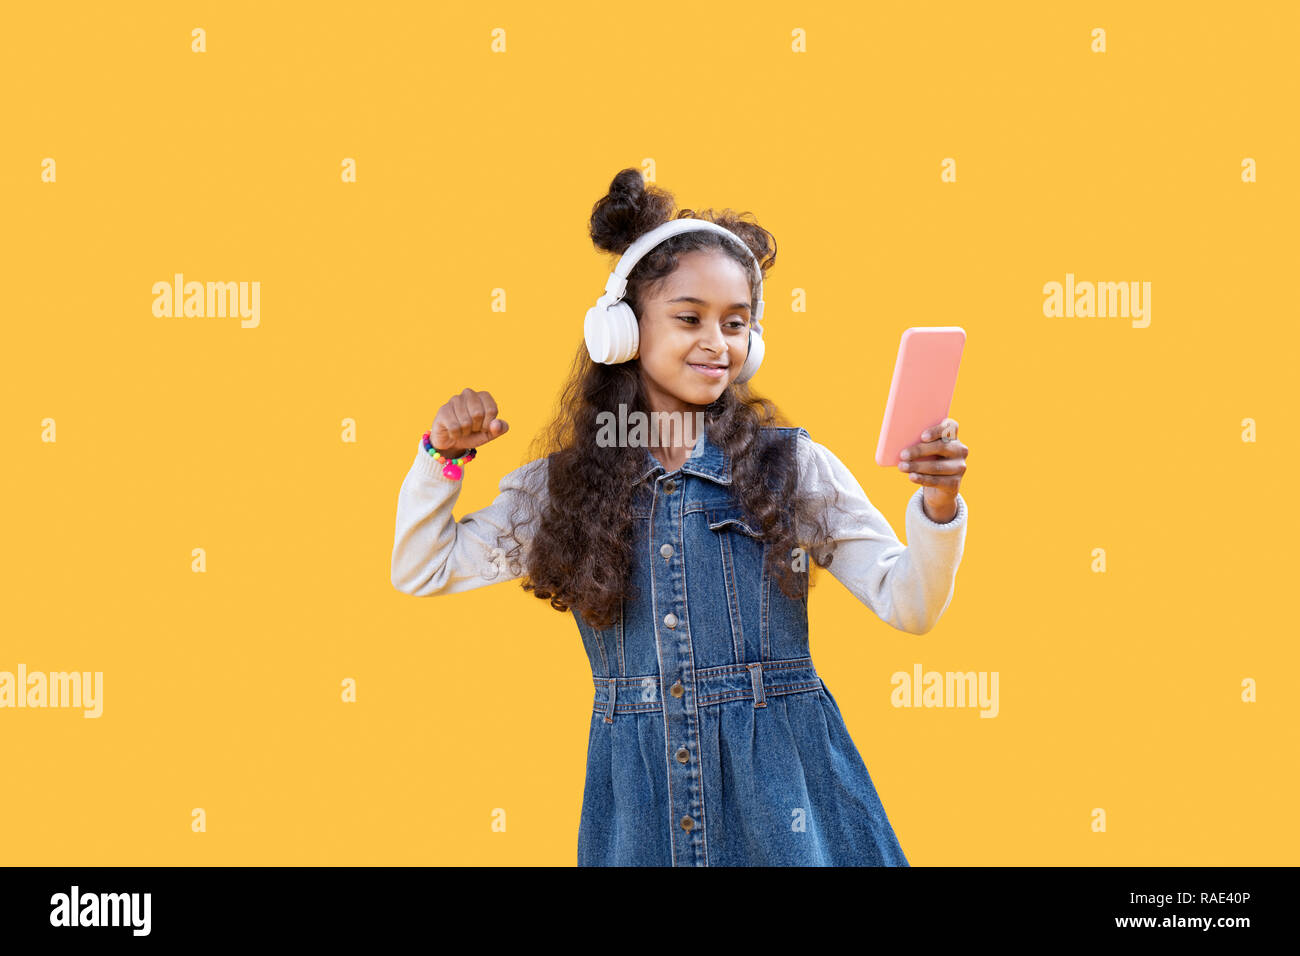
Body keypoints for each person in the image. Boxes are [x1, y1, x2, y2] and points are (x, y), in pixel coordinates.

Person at [390, 168, 970, 866]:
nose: (716, 342)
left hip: (788, 800)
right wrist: (440, 458)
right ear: (623, 332)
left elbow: (910, 604)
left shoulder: (791, 467)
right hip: (641, 811)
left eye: (736, 323)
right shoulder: (564, 486)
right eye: (689, 317)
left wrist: (938, 508)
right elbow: (421, 570)